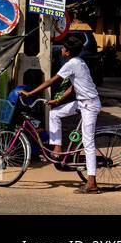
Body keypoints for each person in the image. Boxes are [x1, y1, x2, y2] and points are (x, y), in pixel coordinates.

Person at [21, 32, 103, 194]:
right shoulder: (79, 62)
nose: (61, 50)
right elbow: (73, 86)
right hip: (82, 102)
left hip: (89, 105)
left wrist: (31, 94)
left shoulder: (72, 63)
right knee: (54, 114)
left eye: (64, 48)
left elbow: (52, 80)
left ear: (69, 52)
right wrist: (58, 101)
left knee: (88, 143)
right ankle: (57, 148)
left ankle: (92, 183)